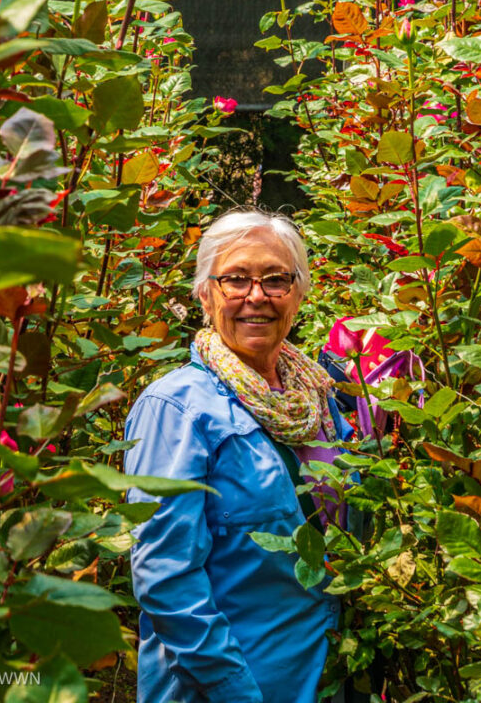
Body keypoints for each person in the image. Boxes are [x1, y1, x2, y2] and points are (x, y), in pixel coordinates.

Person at [124, 208, 355, 703]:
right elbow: (165, 578)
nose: (257, 296)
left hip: (327, 674)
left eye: (276, 279)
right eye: (235, 279)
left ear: (299, 292)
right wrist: (234, 690)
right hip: (228, 685)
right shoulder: (176, 409)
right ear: (206, 293)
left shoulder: (319, 400)